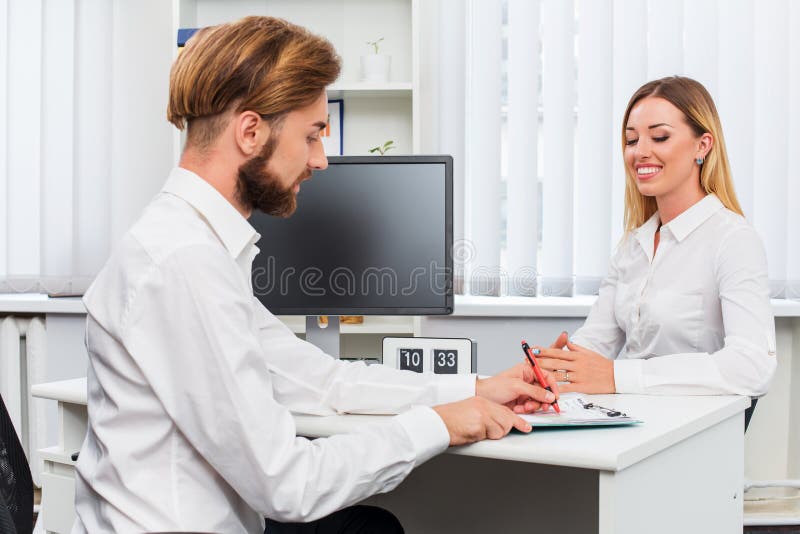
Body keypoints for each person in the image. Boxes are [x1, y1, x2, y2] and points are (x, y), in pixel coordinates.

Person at [72, 16, 557, 534]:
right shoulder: (184, 263)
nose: (321, 160)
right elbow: (288, 485)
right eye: (312, 136)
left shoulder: (196, 246)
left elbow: (323, 381)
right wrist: (437, 425)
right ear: (251, 131)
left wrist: (475, 389)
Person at [535, 76, 776, 399]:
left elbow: (752, 366)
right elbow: (596, 341)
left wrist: (617, 376)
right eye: (632, 140)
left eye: (660, 137)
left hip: (692, 429)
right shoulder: (633, 245)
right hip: (632, 419)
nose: (640, 153)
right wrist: (556, 369)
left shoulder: (733, 240)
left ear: (702, 145)